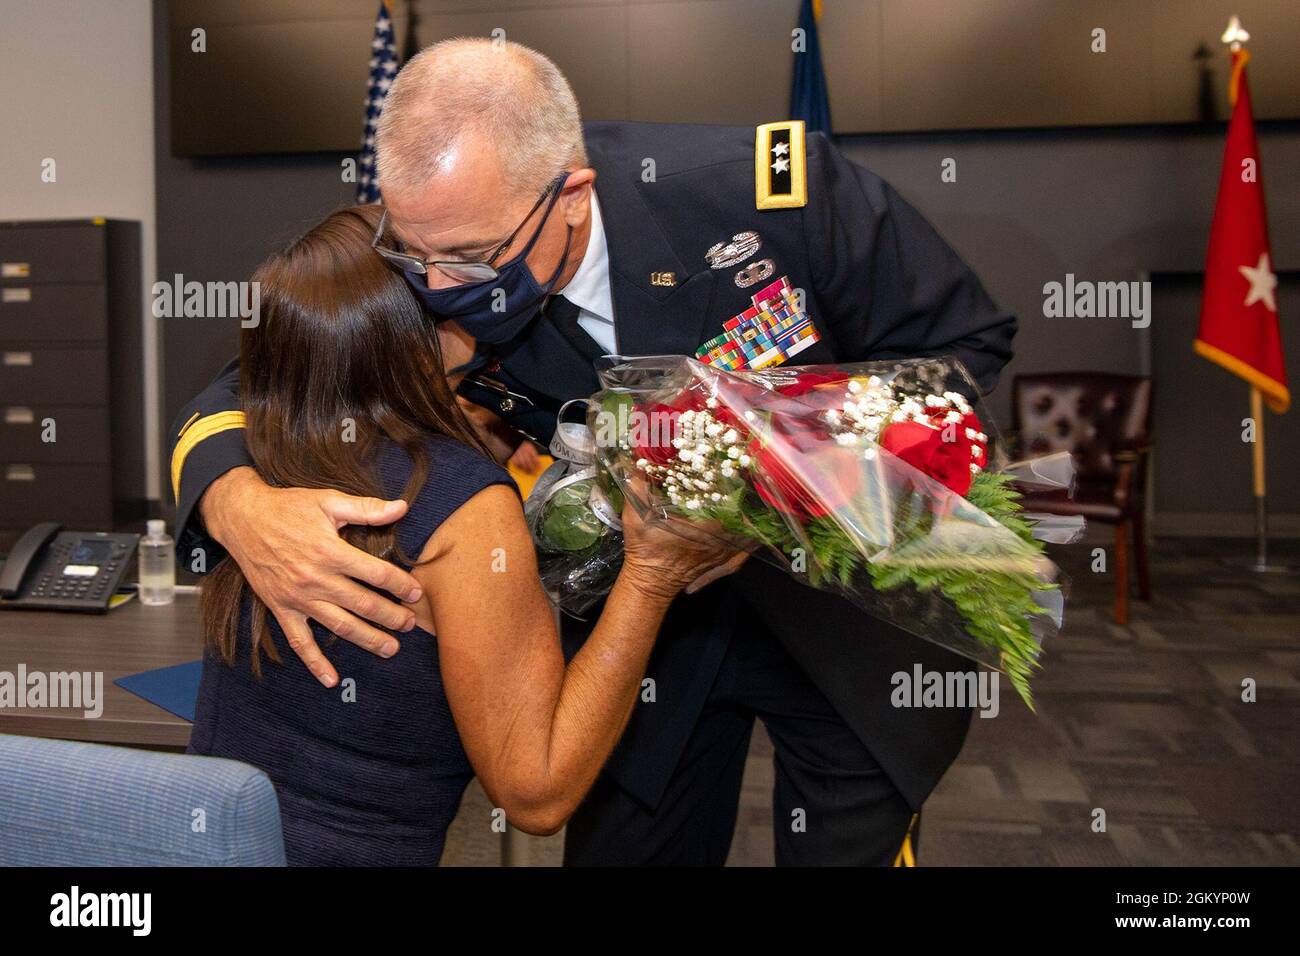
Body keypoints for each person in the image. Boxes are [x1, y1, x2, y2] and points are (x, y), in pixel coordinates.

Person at [170, 39, 1017, 866]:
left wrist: (772, 494)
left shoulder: (768, 197)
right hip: (649, 638)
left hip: (853, 618)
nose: (434, 291)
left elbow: (963, 350)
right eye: (413, 258)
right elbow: (270, 374)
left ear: (571, 195)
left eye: (470, 261)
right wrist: (234, 501)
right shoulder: (443, 232)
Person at [186, 206, 739, 866]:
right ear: (424, 329)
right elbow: (536, 794)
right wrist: (652, 575)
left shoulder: (260, 454)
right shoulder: (461, 507)